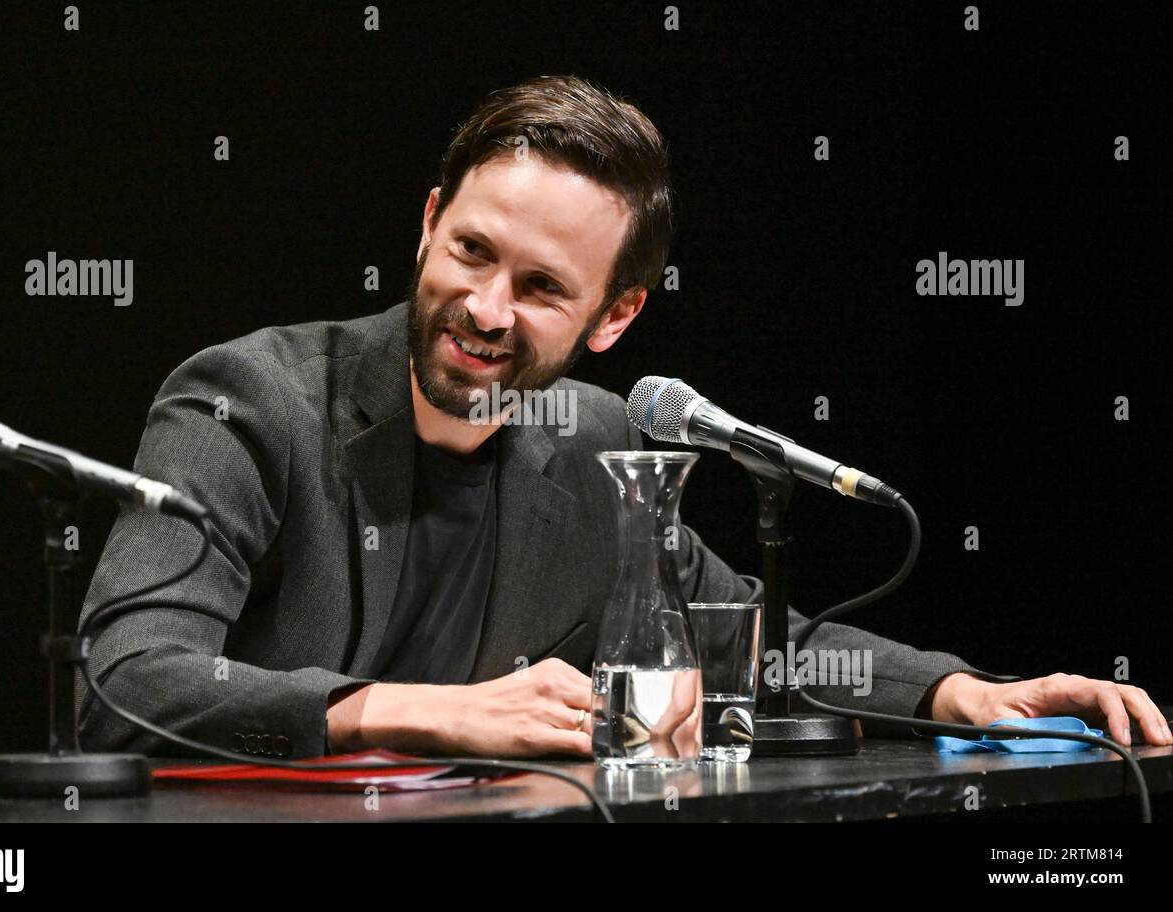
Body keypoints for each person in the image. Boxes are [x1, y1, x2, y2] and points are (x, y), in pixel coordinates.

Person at [77, 75, 1171, 759]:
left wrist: (965, 693)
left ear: (616, 314)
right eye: (470, 251)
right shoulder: (248, 400)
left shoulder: (595, 442)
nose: (486, 308)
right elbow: (128, 680)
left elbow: (752, 644)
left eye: (543, 287)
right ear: (426, 225)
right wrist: (407, 709)